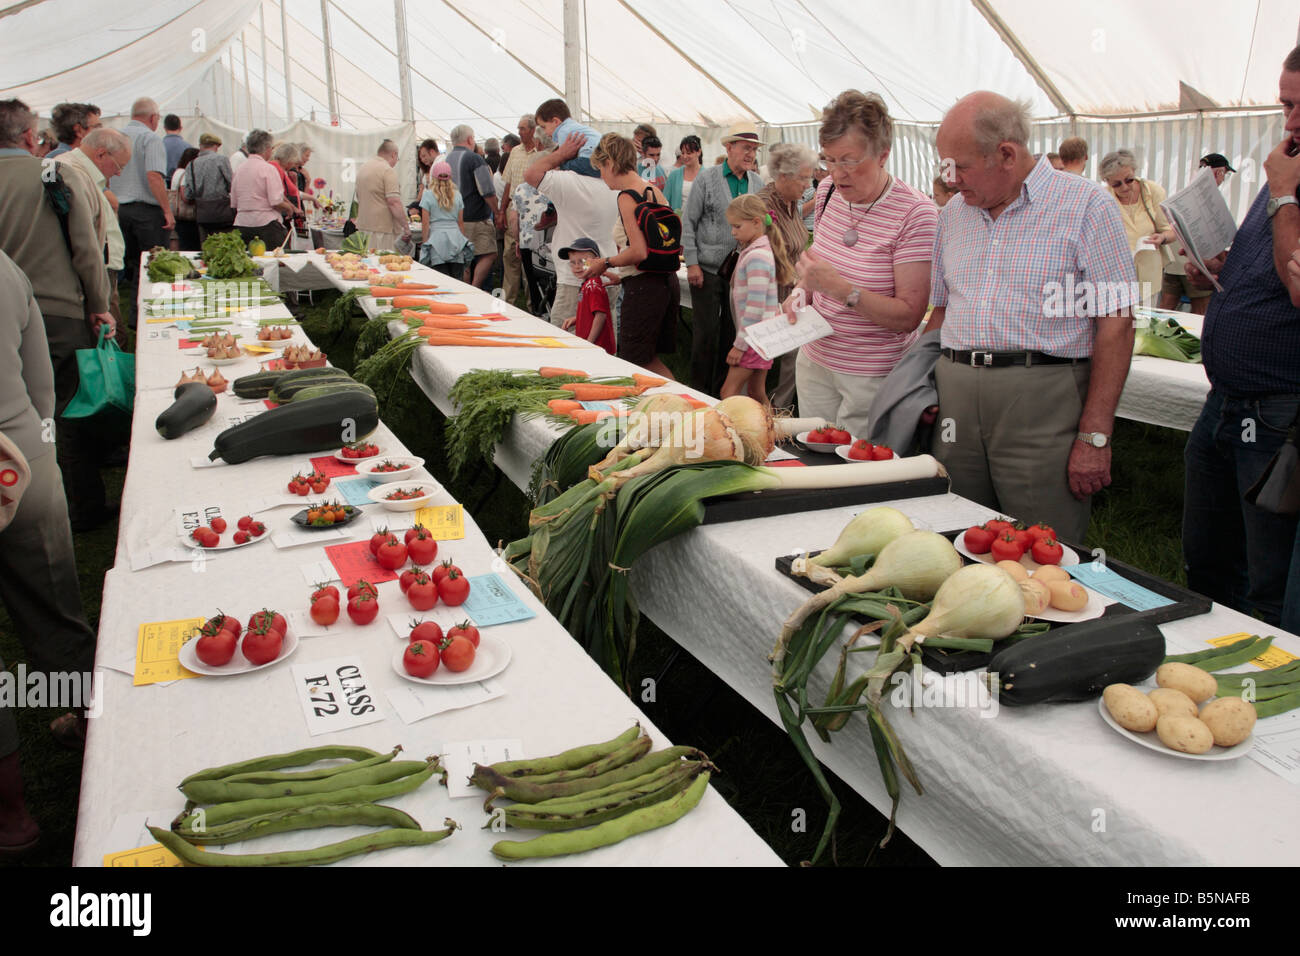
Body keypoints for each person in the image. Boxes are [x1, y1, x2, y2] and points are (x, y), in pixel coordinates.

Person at [928, 92, 1135, 545]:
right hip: (958, 396)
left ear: (1006, 154)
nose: (951, 179)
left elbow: (1117, 323)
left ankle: (1042, 617)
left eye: (960, 166)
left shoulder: (1087, 206)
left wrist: (1095, 436)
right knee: (957, 532)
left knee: (1042, 543)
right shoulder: (953, 217)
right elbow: (941, 311)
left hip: (1042, 399)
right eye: (946, 167)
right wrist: (919, 387)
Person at [1181, 45, 1300, 626]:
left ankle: (1270, 683)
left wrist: (1283, 194)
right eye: (1286, 104)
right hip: (1224, 402)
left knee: (1267, 573)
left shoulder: (1287, 181)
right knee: (1207, 557)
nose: (1291, 120)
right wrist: (1223, 262)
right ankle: (1208, 656)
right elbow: (1274, 265)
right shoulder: (1289, 171)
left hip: (1277, 408)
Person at [0, 250, 100, 856]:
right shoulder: (7, 271)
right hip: (18, 456)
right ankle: (88, 726)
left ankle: (10, 817)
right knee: (54, 604)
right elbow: (42, 387)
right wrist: (35, 456)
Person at [779, 92, 937, 439]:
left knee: (856, 471)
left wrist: (840, 289)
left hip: (871, 375)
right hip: (816, 359)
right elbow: (817, 265)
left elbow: (909, 315)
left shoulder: (916, 214)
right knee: (814, 454)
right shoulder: (828, 194)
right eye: (829, 160)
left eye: (849, 161)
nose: (836, 173)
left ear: (883, 154)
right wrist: (800, 293)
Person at [0, 100, 116, 532]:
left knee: (12, 414)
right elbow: (87, 249)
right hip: (56, 310)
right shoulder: (54, 174)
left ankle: (15, 500)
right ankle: (77, 508)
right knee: (66, 411)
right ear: (30, 137)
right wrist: (98, 304)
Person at [581, 133, 679, 380]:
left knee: (632, 362)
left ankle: (682, 407)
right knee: (648, 359)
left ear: (610, 164)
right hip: (665, 282)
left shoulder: (627, 197)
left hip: (645, 288)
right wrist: (621, 275)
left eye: (601, 169)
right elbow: (656, 246)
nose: (602, 177)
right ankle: (680, 407)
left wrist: (604, 263)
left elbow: (639, 251)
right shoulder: (653, 191)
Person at [682, 122, 766, 395]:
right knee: (706, 333)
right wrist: (692, 262)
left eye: (753, 149)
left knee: (733, 334)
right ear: (729, 147)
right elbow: (689, 221)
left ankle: (722, 393)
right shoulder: (707, 179)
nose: (751, 154)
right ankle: (698, 391)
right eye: (746, 148)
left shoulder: (757, 182)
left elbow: (762, 223)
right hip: (706, 269)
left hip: (741, 271)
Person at [525, 132, 619, 327]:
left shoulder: (569, 182)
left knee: (566, 340)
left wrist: (560, 155)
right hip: (607, 271)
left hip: (574, 277)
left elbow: (531, 174)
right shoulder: (615, 185)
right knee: (604, 338)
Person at [57, 128, 131, 342]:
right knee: (111, 336)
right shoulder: (74, 173)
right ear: (101, 154)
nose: (118, 173)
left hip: (100, 270)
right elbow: (82, 240)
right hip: (95, 273)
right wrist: (97, 300)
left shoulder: (81, 171)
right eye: (120, 166)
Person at [758, 142, 815, 409]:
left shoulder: (793, 203)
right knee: (759, 357)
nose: (807, 184)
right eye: (803, 178)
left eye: (809, 177)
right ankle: (754, 408)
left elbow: (796, 243)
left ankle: (780, 410)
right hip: (766, 290)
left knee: (795, 353)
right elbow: (759, 253)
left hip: (792, 289)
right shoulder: (763, 204)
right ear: (783, 176)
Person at [723, 194, 791, 403]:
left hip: (754, 339)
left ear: (756, 222)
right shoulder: (757, 252)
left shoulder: (756, 257)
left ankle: (734, 432)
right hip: (761, 338)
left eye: (737, 227)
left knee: (728, 393)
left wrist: (740, 345)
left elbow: (755, 306)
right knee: (756, 392)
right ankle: (771, 433)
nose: (733, 232)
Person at [110, 97, 172, 314]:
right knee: (152, 266)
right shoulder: (151, 138)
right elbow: (154, 177)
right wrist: (167, 211)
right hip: (146, 212)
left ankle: (123, 314)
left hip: (119, 209)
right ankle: (145, 315)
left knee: (127, 264)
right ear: (153, 118)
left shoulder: (115, 137)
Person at [1099, 149, 1176, 305]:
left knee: (1144, 325)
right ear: (1107, 181)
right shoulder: (1103, 198)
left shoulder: (1153, 192)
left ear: (1134, 171)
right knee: (1119, 324)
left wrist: (1162, 238)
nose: (1125, 187)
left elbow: (1170, 230)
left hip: (1148, 275)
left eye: (1129, 180)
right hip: (1116, 278)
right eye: (1116, 184)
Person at [445, 125, 499, 288]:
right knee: (490, 253)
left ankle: (465, 289)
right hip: (475, 217)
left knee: (464, 258)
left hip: (454, 216)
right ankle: (474, 288)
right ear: (469, 139)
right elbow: (487, 190)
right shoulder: (474, 159)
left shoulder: (448, 159)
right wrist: (497, 211)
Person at [499, 115, 541, 309]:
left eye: (522, 128)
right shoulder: (514, 152)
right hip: (513, 212)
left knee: (528, 262)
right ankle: (508, 303)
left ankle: (533, 306)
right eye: (518, 129)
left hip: (533, 214)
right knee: (510, 258)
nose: (519, 132)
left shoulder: (541, 153)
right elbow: (508, 183)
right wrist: (502, 211)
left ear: (533, 130)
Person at [230, 128, 293, 249]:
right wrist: (289, 208)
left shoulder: (239, 169)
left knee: (248, 264)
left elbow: (234, 202)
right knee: (271, 263)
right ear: (267, 149)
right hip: (266, 225)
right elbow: (275, 201)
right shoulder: (268, 169)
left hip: (242, 224)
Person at [558, 237, 616, 354]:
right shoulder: (587, 283)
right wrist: (577, 319)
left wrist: (589, 343)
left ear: (597, 261)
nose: (577, 266)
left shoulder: (592, 286)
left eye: (583, 261)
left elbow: (600, 316)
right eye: (573, 262)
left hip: (597, 346)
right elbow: (593, 312)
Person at [354, 139, 410, 253]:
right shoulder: (387, 171)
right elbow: (393, 202)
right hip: (383, 231)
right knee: (383, 265)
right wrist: (405, 227)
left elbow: (358, 198)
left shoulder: (363, 168)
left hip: (363, 228)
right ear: (394, 154)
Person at [419, 161, 472, 278]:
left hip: (436, 240)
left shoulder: (427, 195)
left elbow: (425, 223)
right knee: (457, 280)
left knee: (441, 280)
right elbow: (460, 223)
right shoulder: (457, 195)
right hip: (456, 239)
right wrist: (463, 242)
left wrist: (424, 243)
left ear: (434, 177)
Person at [186, 133, 235, 243]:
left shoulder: (191, 164)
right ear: (216, 146)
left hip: (203, 214)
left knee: (207, 247)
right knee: (225, 246)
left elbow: (188, 193)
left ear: (201, 146)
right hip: (223, 213)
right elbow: (232, 184)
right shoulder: (221, 159)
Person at [534, 99, 601, 177]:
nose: (544, 132)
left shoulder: (563, 131)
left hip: (589, 161)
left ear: (555, 121)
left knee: (563, 166)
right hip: (601, 158)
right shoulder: (573, 126)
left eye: (543, 127)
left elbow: (564, 156)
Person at [170, 146, 201, 251]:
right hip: (186, 216)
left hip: (176, 214)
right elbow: (185, 197)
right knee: (189, 246)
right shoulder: (186, 174)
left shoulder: (177, 172)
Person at [663, 135, 702, 214]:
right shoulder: (674, 175)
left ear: (699, 152)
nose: (685, 156)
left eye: (689, 153)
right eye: (683, 153)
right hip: (677, 222)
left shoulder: (707, 175)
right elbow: (664, 201)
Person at [162, 114, 192, 179]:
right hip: (182, 184)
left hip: (163, 184)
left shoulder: (158, 145)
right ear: (180, 128)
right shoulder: (189, 147)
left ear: (165, 128)